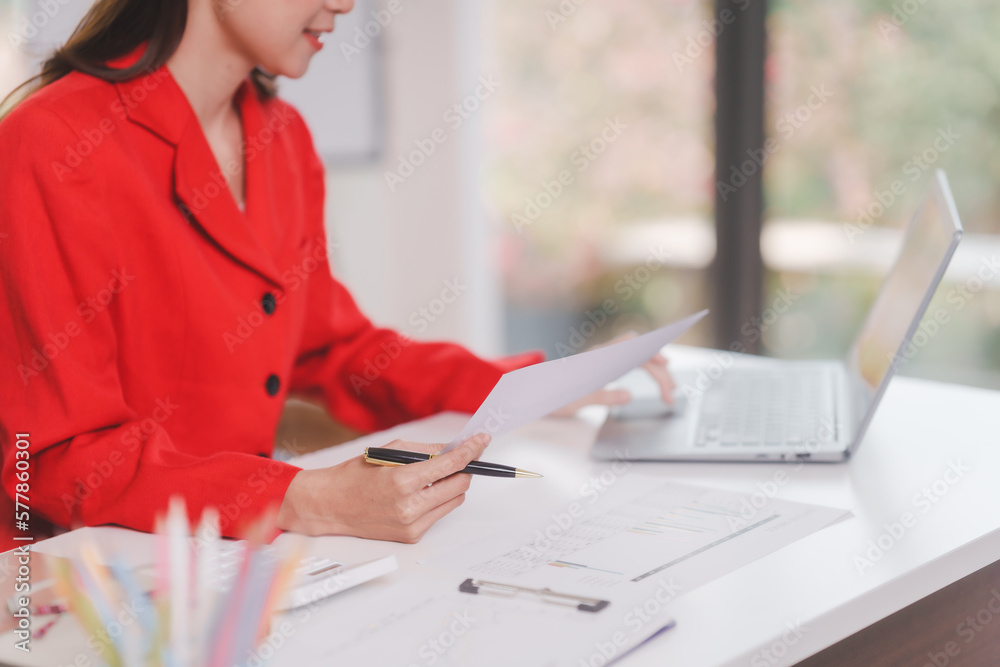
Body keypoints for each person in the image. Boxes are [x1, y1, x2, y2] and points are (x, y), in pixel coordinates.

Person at [0, 0, 674, 553]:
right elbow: (57, 456)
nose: (345, 5)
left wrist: (527, 389)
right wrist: (304, 497)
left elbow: (335, 348)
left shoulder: (281, 136)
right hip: (69, 578)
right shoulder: (51, 142)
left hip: (224, 561)